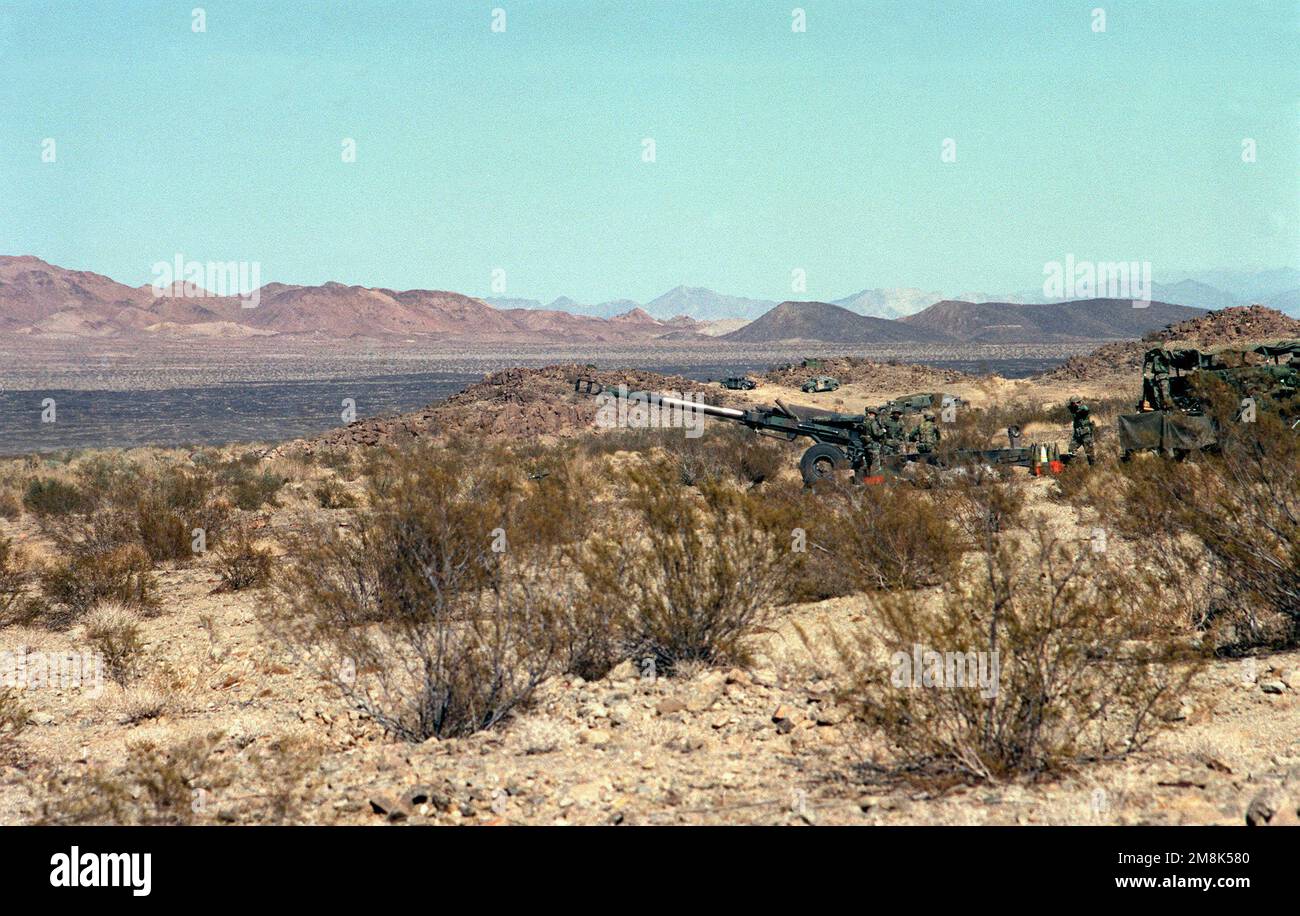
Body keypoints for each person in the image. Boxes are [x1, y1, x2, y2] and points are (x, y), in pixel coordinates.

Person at [1067, 397, 1096, 465]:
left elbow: (1086, 410)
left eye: (1074, 403)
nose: (1073, 405)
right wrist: (1074, 406)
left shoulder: (1083, 408)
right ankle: (1074, 465)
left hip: (1086, 435)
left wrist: (1078, 407)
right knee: (1071, 449)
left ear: (1079, 402)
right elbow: (1070, 408)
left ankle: (1093, 467)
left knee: (1089, 452)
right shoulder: (1073, 409)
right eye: (1072, 403)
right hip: (1077, 435)